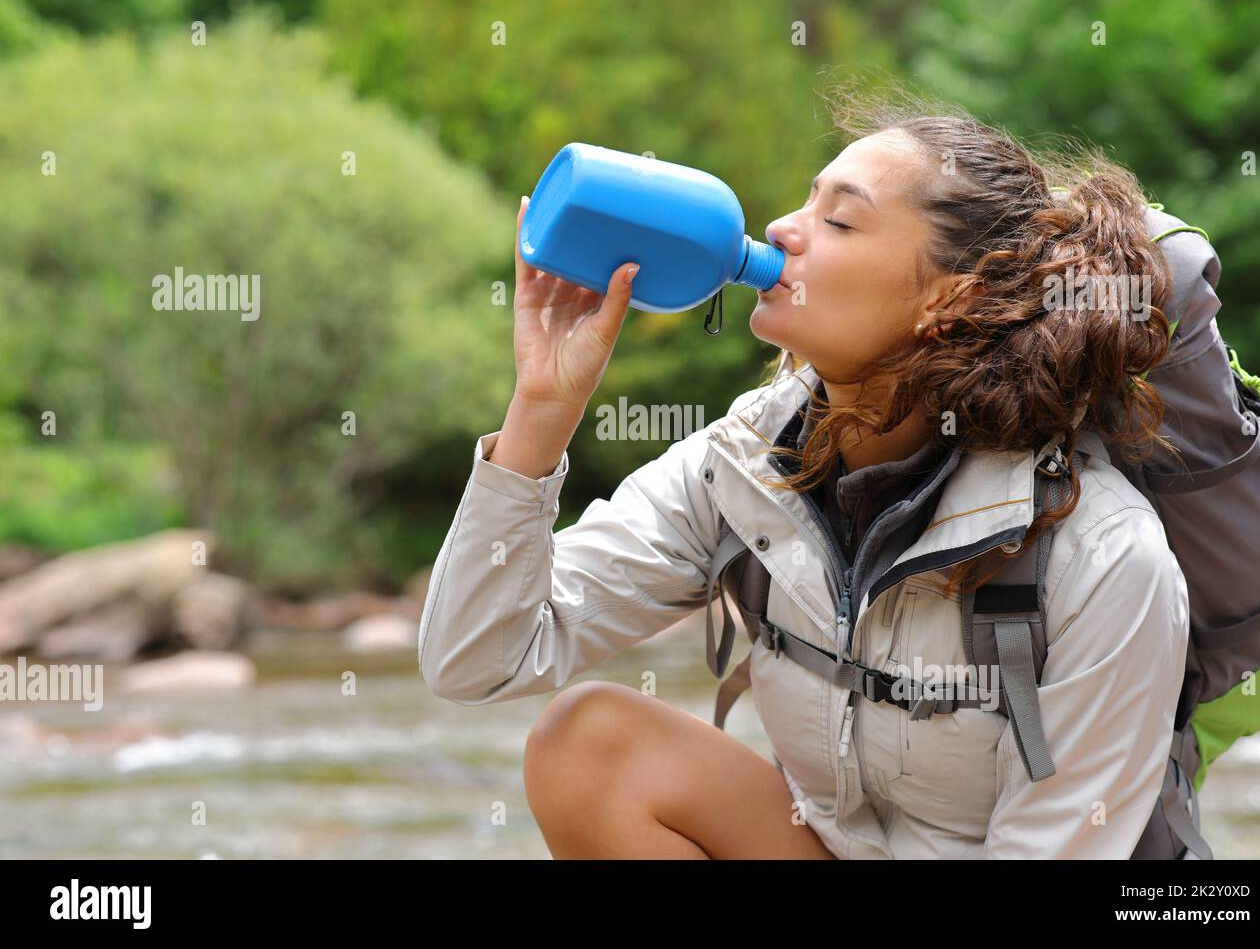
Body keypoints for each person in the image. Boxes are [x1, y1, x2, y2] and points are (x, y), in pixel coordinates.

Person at [417, 89, 1190, 859]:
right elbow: (478, 660)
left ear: (951, 297)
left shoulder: (1102, 554)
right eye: (805, 202)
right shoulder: (743, 464)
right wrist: (542, 409)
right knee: (588, 747)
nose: (783, 230)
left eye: (840, 220)